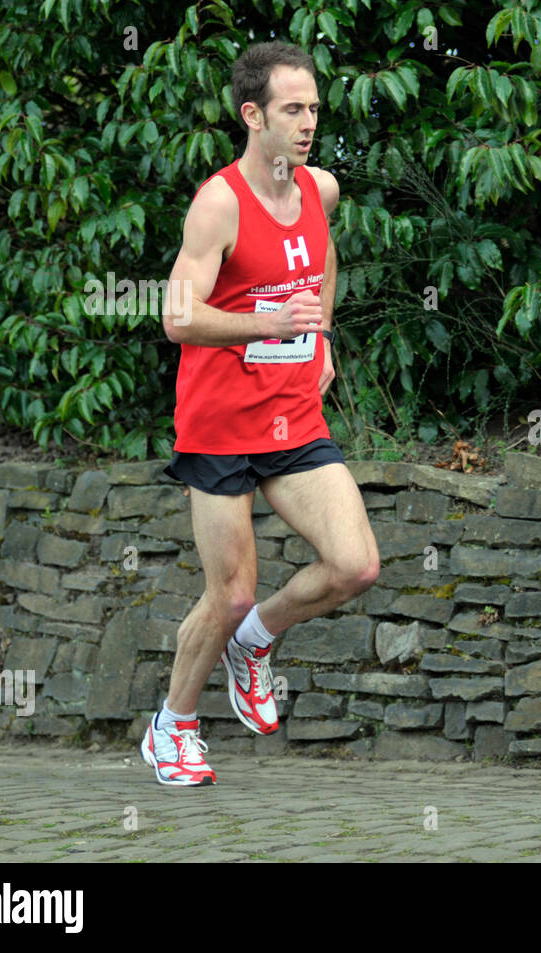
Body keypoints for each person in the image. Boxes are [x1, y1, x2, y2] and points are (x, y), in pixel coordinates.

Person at [142, 41, 380, 786]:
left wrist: (324, 333)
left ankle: (257, 637)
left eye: (313, 108)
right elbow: (177, 318)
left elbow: (324, 258)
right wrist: (267, 327)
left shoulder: (321, 189)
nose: (308, 123)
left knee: (355, 564)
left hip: (291, 413)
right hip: (217, 422)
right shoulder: (219, 203)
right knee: (230, 587)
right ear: (252, 115)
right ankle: (172, 727)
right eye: (292, 109)